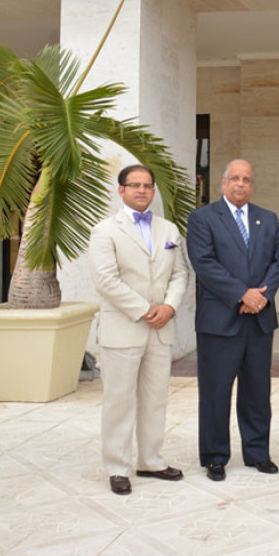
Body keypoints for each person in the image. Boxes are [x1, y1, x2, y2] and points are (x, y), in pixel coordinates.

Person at [89, 164, 189, 496]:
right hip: (124, 328)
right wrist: (146, 309)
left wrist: (169, 307)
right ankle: (117, 467)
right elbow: (106, 280)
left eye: (147, 185)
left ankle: (151, 460)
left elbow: (180, 274)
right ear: (121, 190)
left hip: (161, 329)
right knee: (119, 400)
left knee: (155, 398)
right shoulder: (105, 231)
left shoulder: (169, 229)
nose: (142, 190)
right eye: (135, 185)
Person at [186, 159, 279, 481]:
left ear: (252, 185)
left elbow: (278, 261)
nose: (241, 184)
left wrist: (261, 298)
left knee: (257, 390)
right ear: (224, 182)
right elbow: (204, 263)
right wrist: (242, 294)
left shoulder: (267, 219)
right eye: (235, 178)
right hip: (219, 320)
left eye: (246, 179)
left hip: (259, 320)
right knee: (216, 392)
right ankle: (215, 456)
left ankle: (257, 453)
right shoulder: (202, 218)